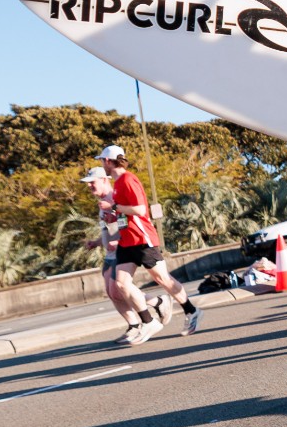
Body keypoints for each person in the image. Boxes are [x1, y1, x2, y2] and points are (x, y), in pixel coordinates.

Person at [96, 145, 201, 341]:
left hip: (142, 239)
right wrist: (115, 217)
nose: (102, 164)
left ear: (109, 161)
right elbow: (126, 212)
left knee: (163, 279)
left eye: (102, 161)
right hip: (127, 241)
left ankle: (191, 311)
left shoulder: (128, 179)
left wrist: (114, 206)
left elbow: (141, 210)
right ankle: (149, 321)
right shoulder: (118, 183)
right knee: (121, 283)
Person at [82, 167, 171, 344]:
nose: (90, 186)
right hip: (109, 253)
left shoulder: (114, 200)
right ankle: (133, 325)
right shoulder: (102, 203)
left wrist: (119, 241)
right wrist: (98, 242)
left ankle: (156, 303)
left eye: (93, 182)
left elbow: (126, 224)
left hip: (122, 251)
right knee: (112, 292)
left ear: (104, 180)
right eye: (88, 183)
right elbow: (108, 229)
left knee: (120, 288)